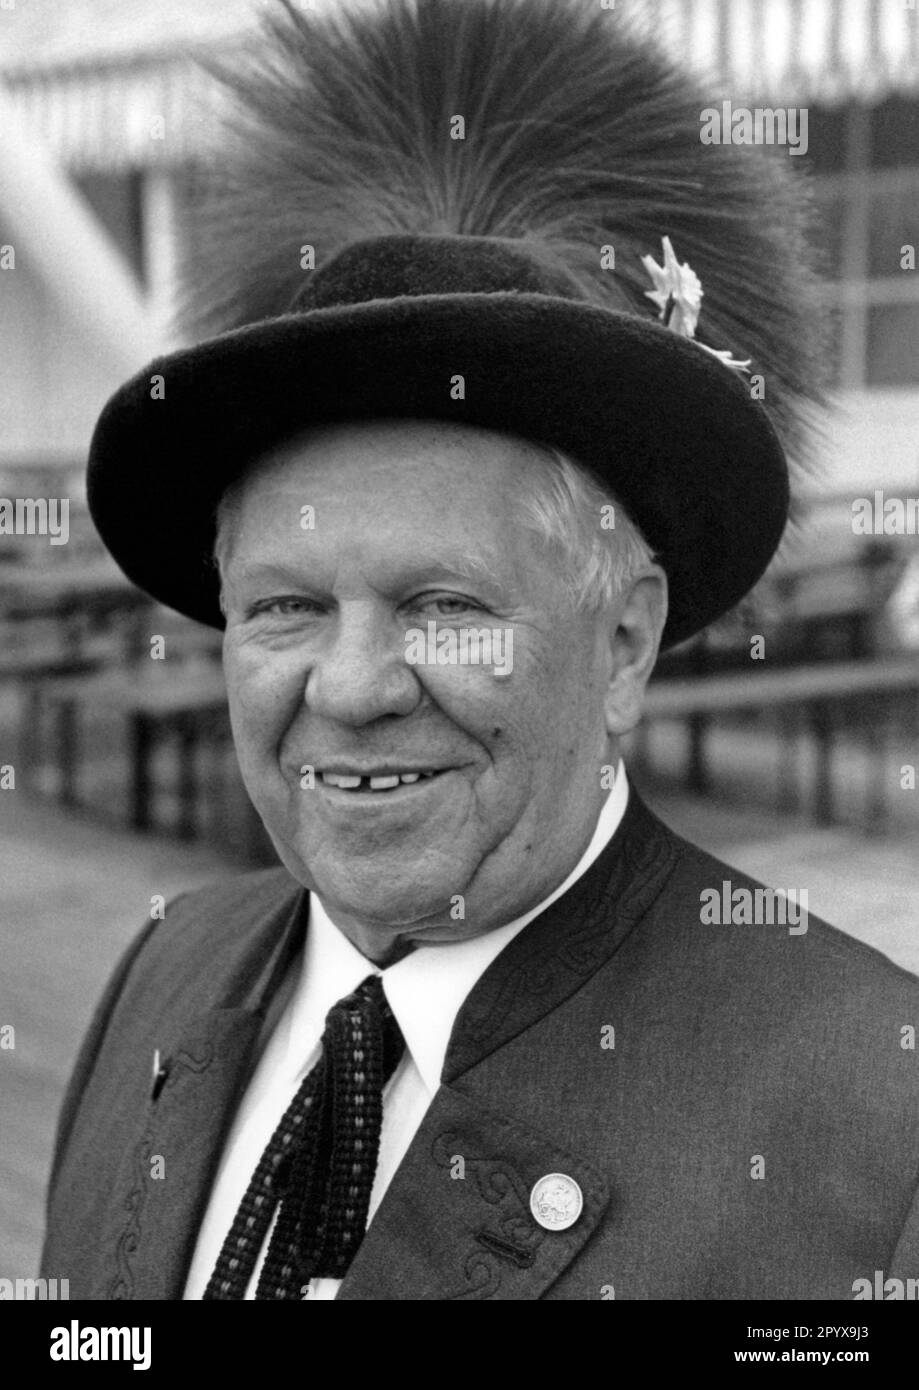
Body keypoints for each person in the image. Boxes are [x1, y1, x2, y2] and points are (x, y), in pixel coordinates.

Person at [41, 0, 919, 1300]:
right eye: (283, 607)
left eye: (445, 604)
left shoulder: (876, 1119)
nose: (346, 688)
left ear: (623, 641)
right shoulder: (163, 972)